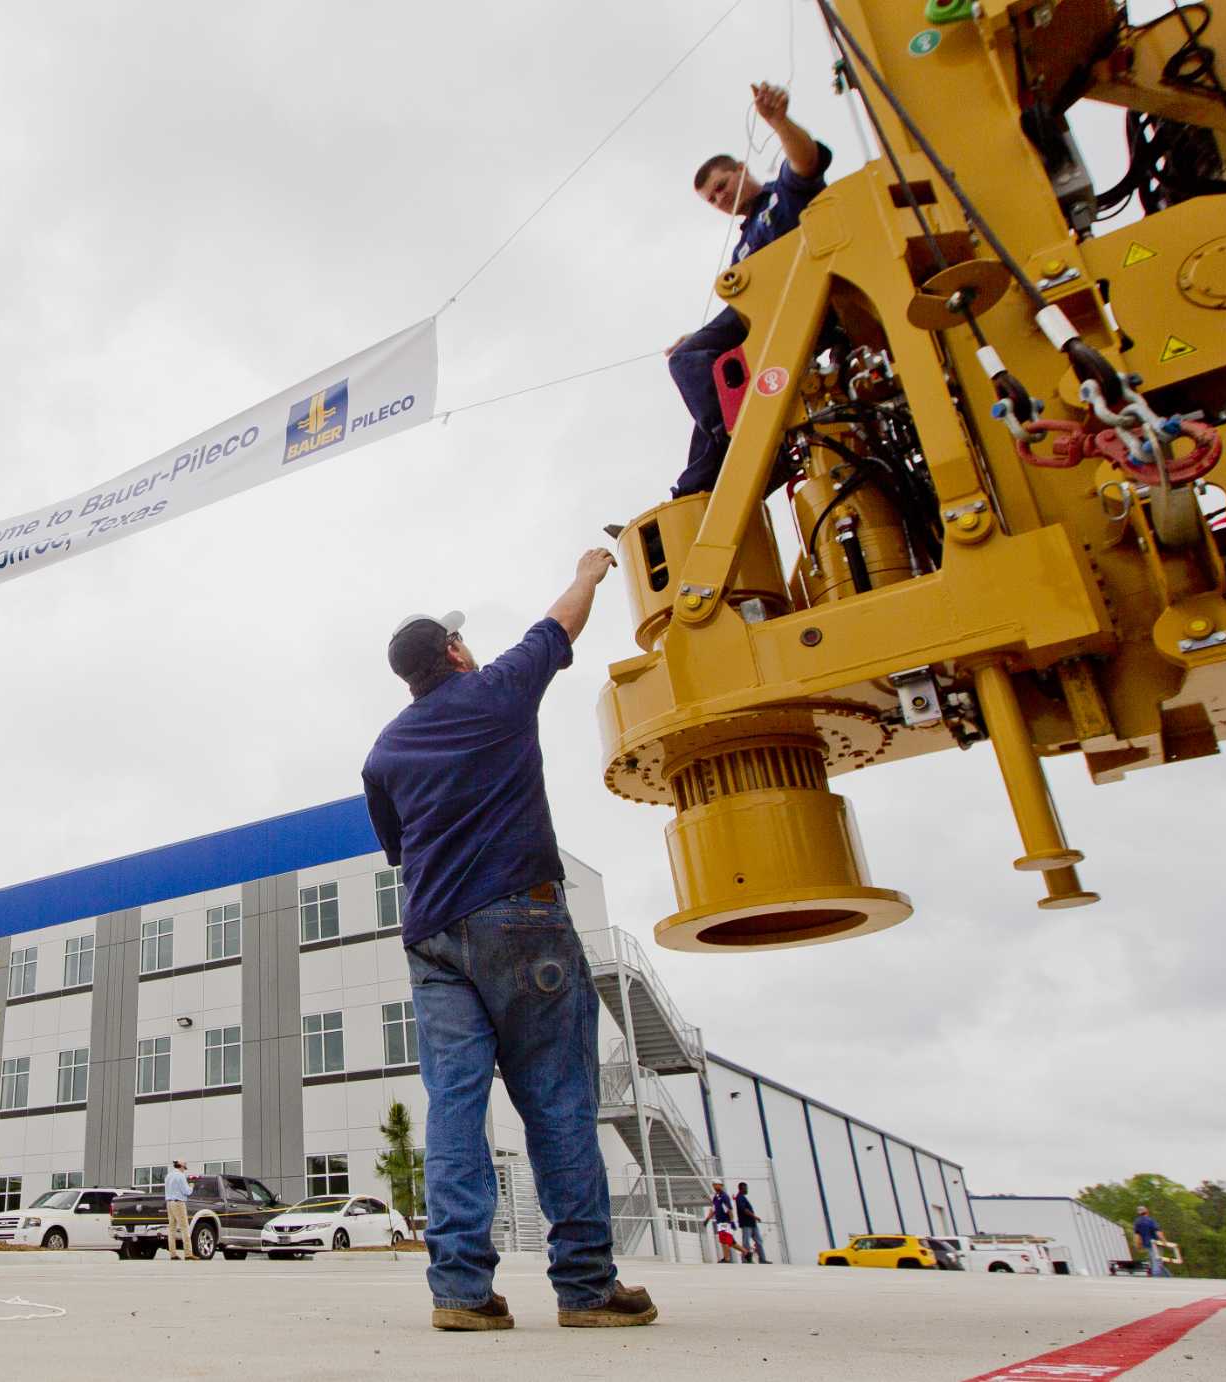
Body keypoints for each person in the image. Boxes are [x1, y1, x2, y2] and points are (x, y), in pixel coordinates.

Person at [362, 548, 658, 1333]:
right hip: (522, 924)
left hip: (432, 940)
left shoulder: (384, 753)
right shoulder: (497, 693)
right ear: (455, 653)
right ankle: (587, 1289)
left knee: (454, 1108)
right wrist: (593, 572)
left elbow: (400, 846)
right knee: (557, 1101)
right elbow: (560, 623)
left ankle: (460, 1293)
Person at [664, 81, 832, 498]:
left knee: (689, 362)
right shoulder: (742, 248)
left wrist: (778, 121)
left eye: (722, 185)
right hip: (766, 323)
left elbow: (806, 163)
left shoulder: (782, 199)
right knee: (701, 376)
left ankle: (743, 439)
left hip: (809, 303)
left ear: (741, 168)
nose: (719, 198)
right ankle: (692, 493)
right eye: (711, 198)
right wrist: (701, 338)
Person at [164, 1160, 194, 1261]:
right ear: (181, 1167)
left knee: (171, 1229)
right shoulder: (180, 1176)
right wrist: (191, 1187)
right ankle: (188, 1254)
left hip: (169, 1203)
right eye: (184, 1168)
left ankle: (173, 1254)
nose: (184, 1170)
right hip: (178, 1203)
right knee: (184, 1228)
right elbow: (186, 1191)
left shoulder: (168, 1176)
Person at [736, 1181, 769, 1264]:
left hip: (752, 1223)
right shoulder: (739, 1197)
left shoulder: (743, 1197)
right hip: (746, 1224)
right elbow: (744, 1210)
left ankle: (762, 1259)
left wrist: (754, 1219)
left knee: (759, 1241)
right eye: (746, 1188)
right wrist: (755, 1216)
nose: (747, 1190)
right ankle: (746, 1260)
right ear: (741, 1188)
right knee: (746, 1242)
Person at [1133, 1205, 1169, 1277]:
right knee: (1157, 1262)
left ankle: (1169, 1277)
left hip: (1147, 1245)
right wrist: (1165, 1242)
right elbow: (1158, 1232)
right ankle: (1156, 1278)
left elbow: (1137, 1236)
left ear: (1138, 1213)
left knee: (1157, 1261)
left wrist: (1137, 1246)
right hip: (1155, 1244)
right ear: (1147, 1211)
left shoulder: (1137, 1222)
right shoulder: (1150, 1220)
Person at [707, 1182, 738, 1264]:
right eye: (713, 1184)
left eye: (716, 1184)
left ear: (721, 1185)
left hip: (725, 1221)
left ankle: (726, 1258)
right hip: (720, 1222)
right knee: (730, 1241)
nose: (714, 1186)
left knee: (725, 1240)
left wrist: (732, 1221)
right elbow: (713, 1209)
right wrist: (707, 1219)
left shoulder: (724, 1196)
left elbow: (729, 1210)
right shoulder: (716, 1197)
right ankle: (746, 1253)